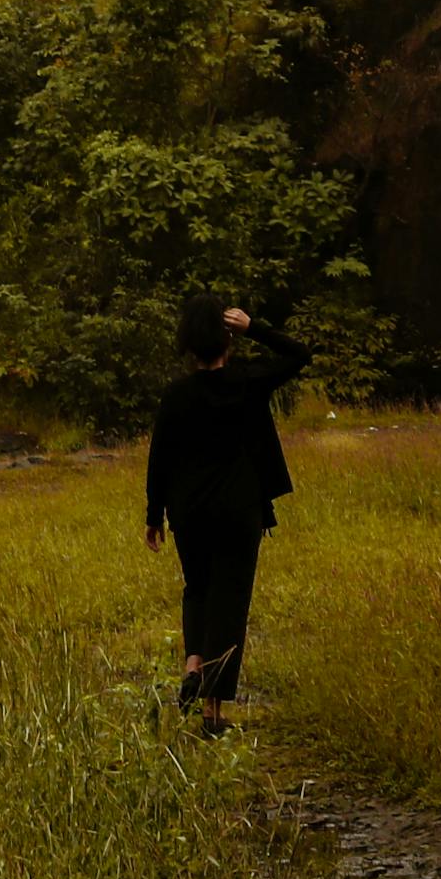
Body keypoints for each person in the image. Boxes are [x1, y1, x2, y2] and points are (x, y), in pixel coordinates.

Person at [144, 295, 311, 735]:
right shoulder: (248, 382)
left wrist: (153, 515)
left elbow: (158, 458)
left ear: (188, 345)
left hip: (189, 512)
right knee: (229, 601)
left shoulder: (176, 396)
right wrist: (253, 327)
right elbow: (300, 355)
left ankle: (193, 662)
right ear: (226, 340)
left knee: (197, 590)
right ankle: (213, 714)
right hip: (239, 510)